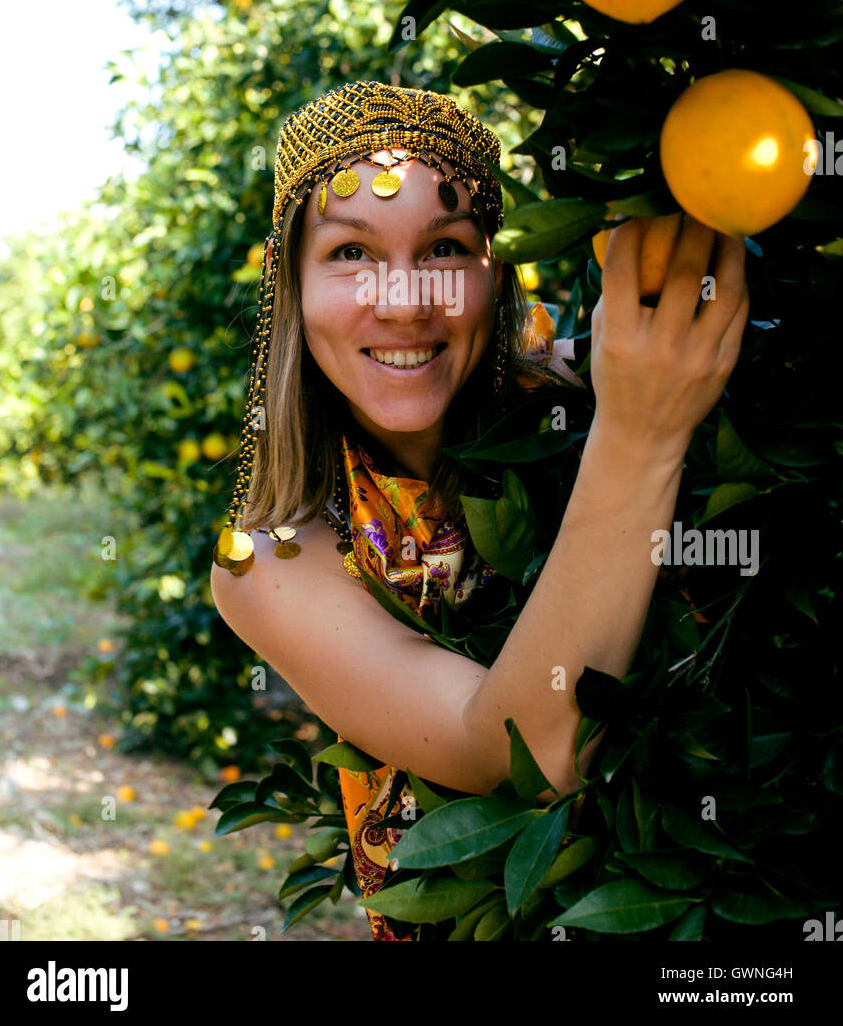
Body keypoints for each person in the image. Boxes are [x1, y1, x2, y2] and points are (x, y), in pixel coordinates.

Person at [210, 79, 749, 940]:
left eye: (445, 249)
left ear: (495, 274)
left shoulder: (593, 393)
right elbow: (515, 754)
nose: (406, 301)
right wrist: (644, 439)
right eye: (350, 253)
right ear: (292, 286)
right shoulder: (269, 561)